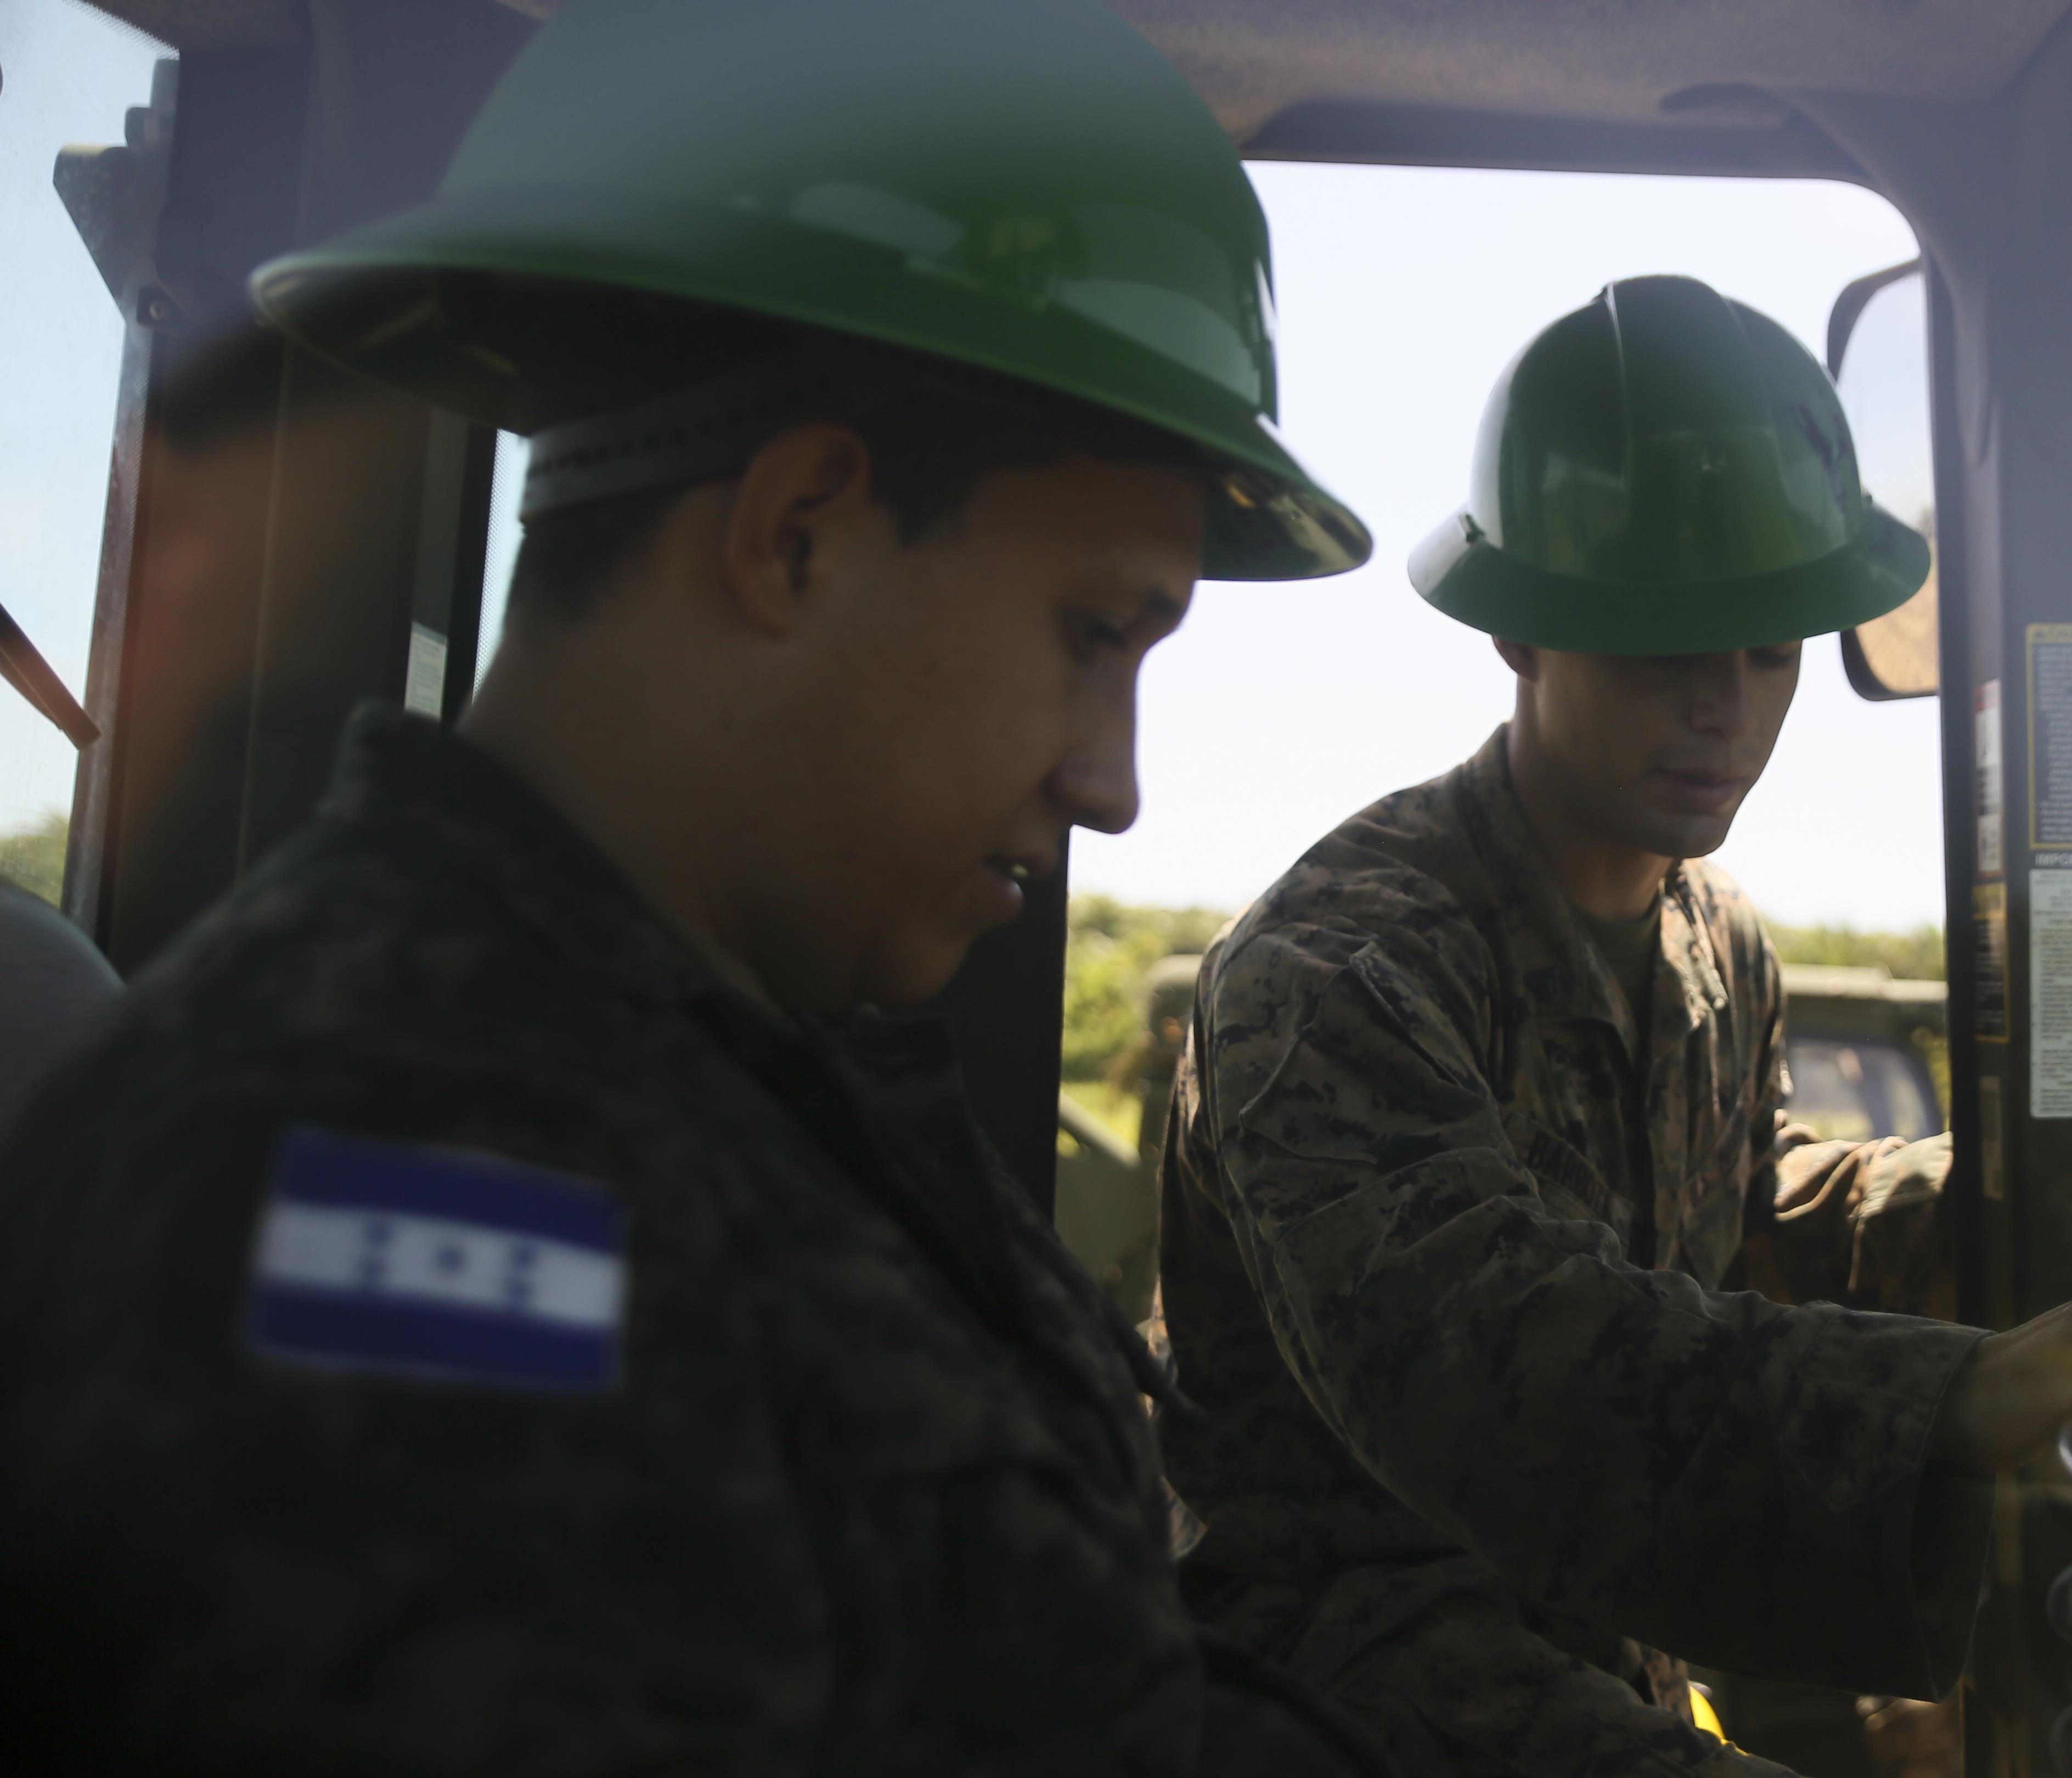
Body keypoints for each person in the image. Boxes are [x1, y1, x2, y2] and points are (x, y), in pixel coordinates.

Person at [0, 0, 1385, 1770]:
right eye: (1094, 635)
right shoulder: (386, 1182)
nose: (1111, 786)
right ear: (796, 533)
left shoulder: (728, 1074)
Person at [1157, 274, 2072, 1776]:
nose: (1727, 710)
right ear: (1520, 632)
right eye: (1665, 645)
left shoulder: (1715, 936)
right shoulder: (1339, 974)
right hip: (1334, 1680)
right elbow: (1500, 1370)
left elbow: (1739, 1219)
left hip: (1605, 1644)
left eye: (1769, 650)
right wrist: (1960, 1394)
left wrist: (2018, 1199)